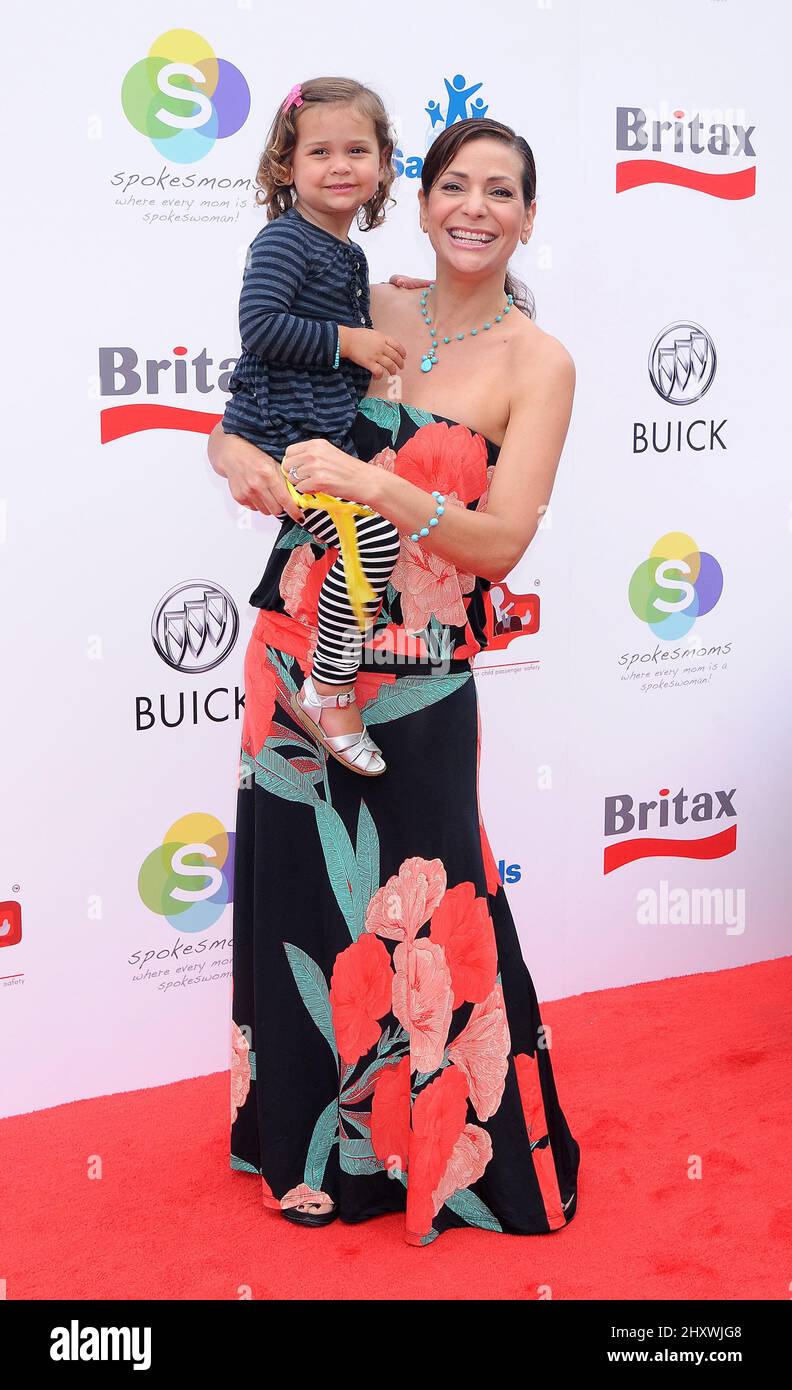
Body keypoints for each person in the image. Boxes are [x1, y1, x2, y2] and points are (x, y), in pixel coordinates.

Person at [212, 115, 581, 1246]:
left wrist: (385, 495)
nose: (475, 207)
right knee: (305, 907)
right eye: (455, 185)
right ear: (419, 202)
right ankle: (320, 1154)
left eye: (502, 192)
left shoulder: (538, 363)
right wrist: (235, 459)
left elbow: (502, 541)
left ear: (528, 216)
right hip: (293, 648)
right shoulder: (371, 308)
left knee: (432, 918)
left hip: (415, 680)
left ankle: (451, 1162)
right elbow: (244, 409)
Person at [222, 76, 410, 776]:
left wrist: (393, 299)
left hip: (309, 440)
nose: (340, 166)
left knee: (374, 536)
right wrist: (347, 341)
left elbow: (339, 308)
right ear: (286, 167)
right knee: (374, 533)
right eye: (320, 151)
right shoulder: (283, 240)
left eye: (357, 150)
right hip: (279, 439)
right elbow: (262, 325)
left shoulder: (346, 253)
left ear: (384, 164)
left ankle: (328, 674)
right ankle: (330, 684)